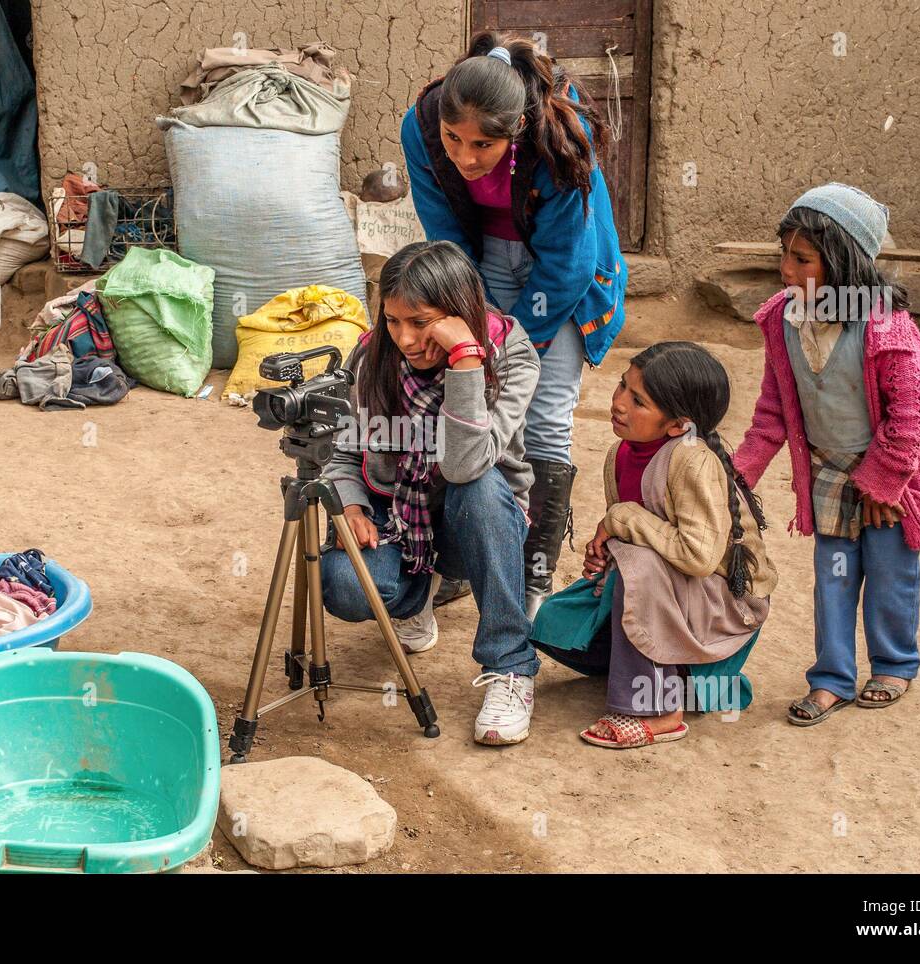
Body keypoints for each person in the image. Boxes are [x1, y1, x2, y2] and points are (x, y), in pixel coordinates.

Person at [401, 30, 628, 618]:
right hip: (479, 260)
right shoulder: (420, 128)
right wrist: (472, 316)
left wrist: (512, 340)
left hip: (563, 270)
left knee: (544, 416)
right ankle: (468, 558)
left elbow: (569, 262)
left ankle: (532, 577)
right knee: (472, 402)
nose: (465, 157)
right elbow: (444, 230)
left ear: (518, 130)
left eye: (484, 144)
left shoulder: (559, 134)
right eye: (455, 138)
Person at [731, 183, 920, 726]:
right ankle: (832, 678)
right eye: (783, 255)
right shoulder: (782, 322)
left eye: (802, 258)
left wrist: (882, 483)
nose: (786, 269)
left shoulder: (885, 324)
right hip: (830, 474)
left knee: (890, 574)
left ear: (842, 264)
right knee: (833, 576)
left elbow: (915, 413)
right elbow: (772, 412)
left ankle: (893, 665)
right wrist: (737, 474)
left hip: (890, 478)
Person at [321, 240, 543, 745]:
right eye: (393, 320)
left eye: (420, 322)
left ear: (458, 311)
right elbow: (340, 453)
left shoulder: (509, 355)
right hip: (397, 512)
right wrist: (353, 504)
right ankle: (415, 598)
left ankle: (511, 666)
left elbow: (464, 465)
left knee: (482, 486)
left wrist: (466, 360)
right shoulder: (370, 354)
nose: (403, 338)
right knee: (345, 585)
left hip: (478, 520)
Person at [530, 343, 778, 748]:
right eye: (621, 386)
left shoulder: (691, 460)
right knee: (553, 623)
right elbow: (633, 532)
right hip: (668, 594)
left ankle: (661, 711)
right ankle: (676, 679)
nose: (619, 403)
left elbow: (698, 557)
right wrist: (608, 551)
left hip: (723, 606)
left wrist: (621, 521)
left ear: (678, 425)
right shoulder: (619, 453)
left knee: (640, 564)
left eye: (638, 400)